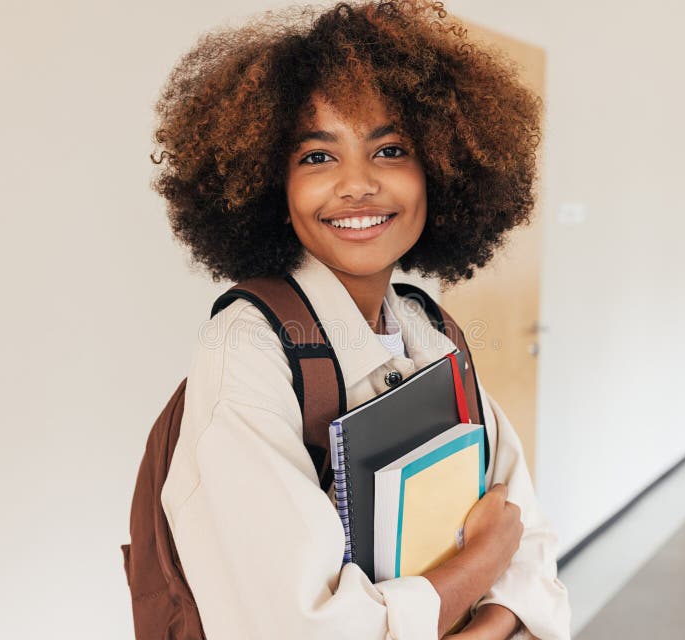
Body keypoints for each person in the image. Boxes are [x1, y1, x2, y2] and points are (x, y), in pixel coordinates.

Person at [151, 1, 570, 638]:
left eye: (391, 149)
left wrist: (496, 573)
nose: (357, 185)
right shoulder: (247, 349)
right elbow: (307, 627)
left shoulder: (430, 333)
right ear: (272, 183)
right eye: (318, 157)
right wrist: (483, 561)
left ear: (439, 169)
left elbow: (530, 538)